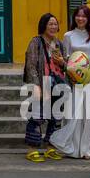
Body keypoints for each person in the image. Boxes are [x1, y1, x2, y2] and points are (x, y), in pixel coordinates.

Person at [50, 5, 90, 158]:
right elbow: (66, 56)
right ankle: (73, 148)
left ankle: (85, 149)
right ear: (74, 18)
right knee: (74, 111)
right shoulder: (68, 35)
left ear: (88, 18)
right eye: (78, 15)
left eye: (84, 16)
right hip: (74, 75)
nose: (80, 18)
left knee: (88, 112)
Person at [22, 13, 67, 162]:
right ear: (43, 26)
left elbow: (65, 66)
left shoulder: (59, 44)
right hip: (42, 83)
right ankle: (32, 148)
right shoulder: (36, 42)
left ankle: (50, 146)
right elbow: (31, 65)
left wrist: (62, 62)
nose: (53, 27)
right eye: (50, 24)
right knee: (37, 115)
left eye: (55, 24)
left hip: (57, 83)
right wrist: (35, 85)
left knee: (55, 117)